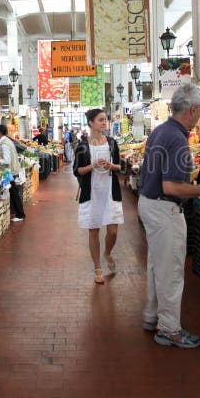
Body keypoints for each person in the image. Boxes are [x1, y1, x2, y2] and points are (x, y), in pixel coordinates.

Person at [138, 84, 200, 349]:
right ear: (193, 109)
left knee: (157, 265)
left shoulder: (161, 131)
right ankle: (170, 329)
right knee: (171, 271)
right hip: (164, 209)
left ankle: (152, 317)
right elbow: (171, 186)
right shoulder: (178, 138)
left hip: (149, 203)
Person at [73, 108, 124, 284]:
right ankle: (98, 268)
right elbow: (77, 171)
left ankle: (107, 252)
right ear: (91, 123)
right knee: (93, 230)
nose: (104, 123)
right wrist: (92, 166)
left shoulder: (111, 143)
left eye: (105, 120)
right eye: (101, 120)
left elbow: (120, 167)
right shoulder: (82, 146)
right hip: (92, 192)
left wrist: (111, 165)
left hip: (110, 191)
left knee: (113, 231)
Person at [0, 124, 26, 222]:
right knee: (13, 192)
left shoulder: (4, 144)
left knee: (14, 192)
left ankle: (20, 214)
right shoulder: (6, 142)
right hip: (10, 171)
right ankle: (17, 212)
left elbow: (6, 161)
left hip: (9, 172)